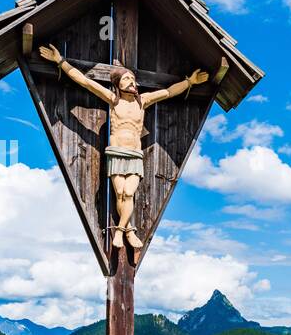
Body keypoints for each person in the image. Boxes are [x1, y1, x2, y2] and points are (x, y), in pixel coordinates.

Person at [39, 43, 209, 250]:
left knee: (129, 193)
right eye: (126, 78)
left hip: (134, 155)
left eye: (133, 78)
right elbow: (84, 81)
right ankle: (129, 231)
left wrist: (189, 82)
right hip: (116, 153)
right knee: (120, 194)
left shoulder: (143, 101)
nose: (132, 81)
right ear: (118, 84)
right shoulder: (113, 100)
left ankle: (120, 230)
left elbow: (168, 92)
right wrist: (60, 61)